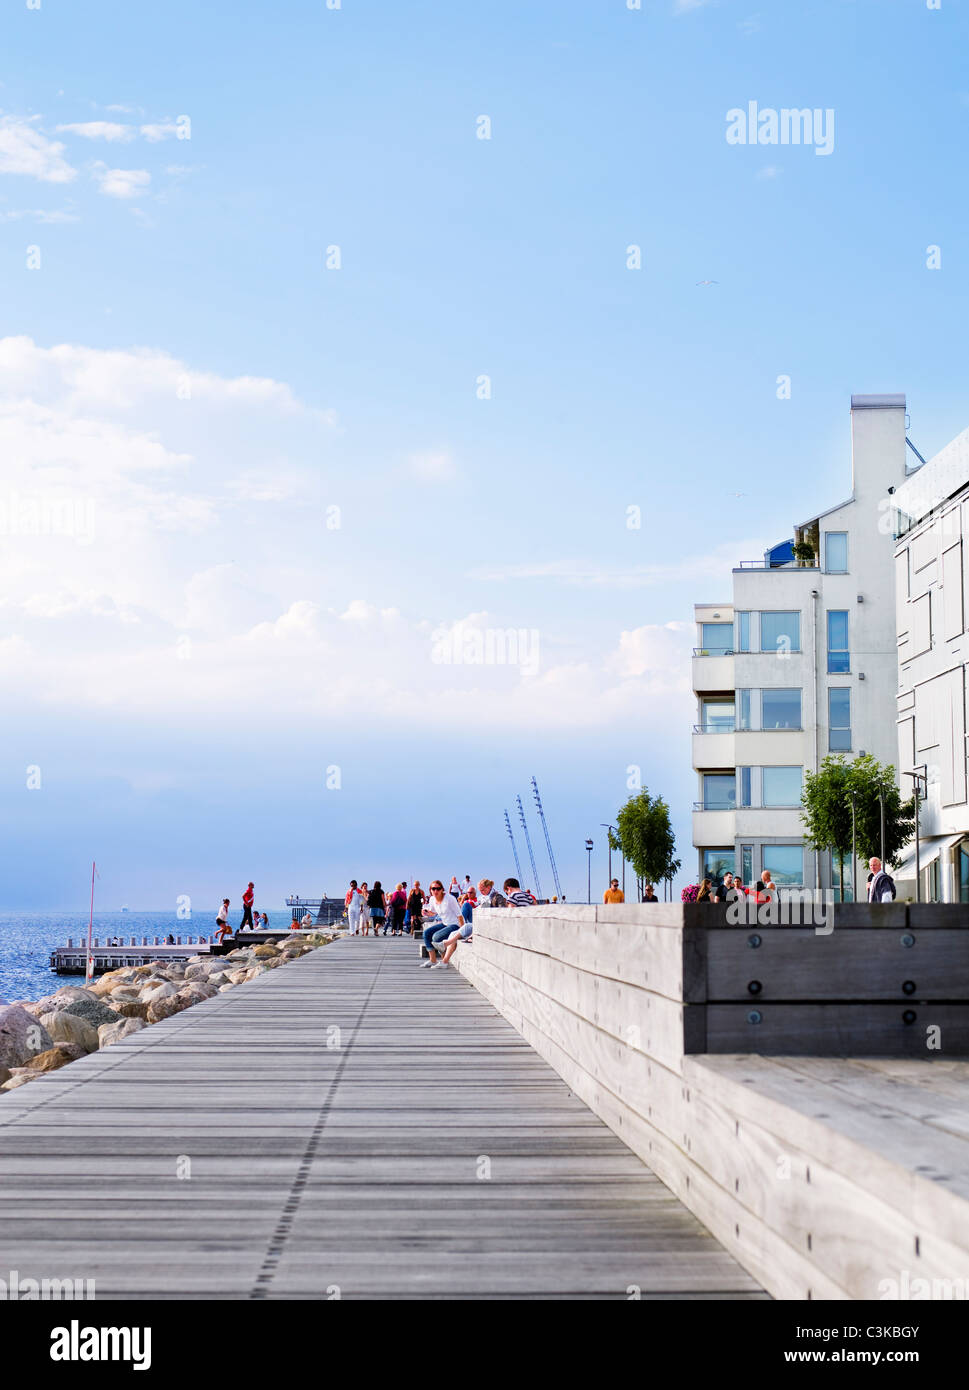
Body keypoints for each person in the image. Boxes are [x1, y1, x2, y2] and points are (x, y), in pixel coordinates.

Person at [420, 880, 464, 967]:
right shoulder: (432, 899)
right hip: (445, 923)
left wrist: (461, 931)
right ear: (430, 890)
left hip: (455, 925)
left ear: (442, 889)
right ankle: (433, 960)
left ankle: (444, 961)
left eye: (438, 889)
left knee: (436, 937)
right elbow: (433, 913)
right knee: (426, 933)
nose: (435, 891)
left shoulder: (450, 899)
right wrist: (426, 913)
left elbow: (459, 915)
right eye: (433, 889)